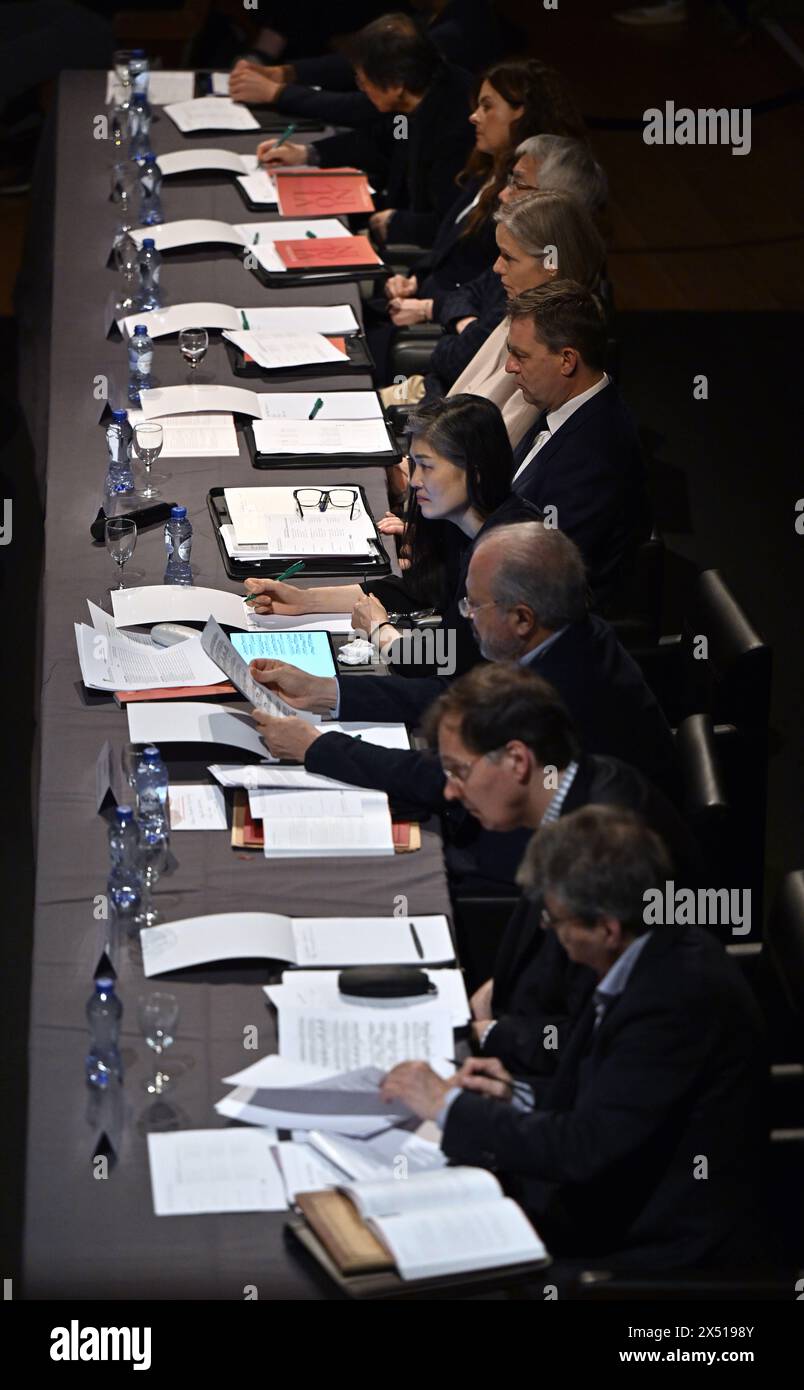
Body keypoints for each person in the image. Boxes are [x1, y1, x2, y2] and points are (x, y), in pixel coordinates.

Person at [381, 807, 768, 1271]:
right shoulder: (645, 949)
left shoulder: (672, 1004)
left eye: (558, 919)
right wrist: (518, 1092)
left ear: (606, 928)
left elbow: (584, 1149)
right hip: (613, 1185)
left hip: (648, 1238)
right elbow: (608, 1097)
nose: (548, 929)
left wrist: (448, 1107)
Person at [247, 523, 681, 870]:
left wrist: (317, 746)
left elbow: (446, 780)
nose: (466, 617)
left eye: (474, 606)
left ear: (522, 618)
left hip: (548, 871)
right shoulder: (562, 638)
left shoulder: (563, 688)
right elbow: (447, 697)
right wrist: (327, 691)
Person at [421, 662, 701, 1072]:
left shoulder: (603, 848)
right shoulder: (573, 793)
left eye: (460, 771)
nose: (449, 790)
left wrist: (488, 1034)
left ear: (517, 760)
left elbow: (590, 1035)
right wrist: (485, 1002)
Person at [244, 396, 540, 680]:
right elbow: (418, 590)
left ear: (474, 472)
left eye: (428, 466)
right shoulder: (459, 523)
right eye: (414, 464)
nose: (414, 481)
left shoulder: (506, 556)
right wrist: (305, 601)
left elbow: (446, 660)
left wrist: (379, 632)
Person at [383, 60, 588, 328]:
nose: (474, 116)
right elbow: (448, 252)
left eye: (487, 106)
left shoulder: (529, 197)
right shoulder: (485, 172)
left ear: (522, 113)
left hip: (448, 322)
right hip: (426, 302)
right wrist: (414, 280)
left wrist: (430, 307)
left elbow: (489, 291)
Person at [382, 190, 605, 421]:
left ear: (551, 263)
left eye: (508, 257)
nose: (497, 267)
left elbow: (486, 438)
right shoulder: (521, 303)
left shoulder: (543, 341)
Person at [256, 17, 475, 247]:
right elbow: (383, 142)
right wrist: (306, 153)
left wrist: (397, 223)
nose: (363, 89)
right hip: (391, 210)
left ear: (395, 85)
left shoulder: (457, 126)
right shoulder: (412, 100)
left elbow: (453, 221)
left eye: (363, 81)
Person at [502, 281, 649, 601]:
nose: (509, 366)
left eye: (520, 355)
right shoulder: (566, 406)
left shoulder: (596, 457)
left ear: (567, 360)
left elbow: (534, 578)